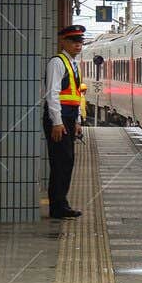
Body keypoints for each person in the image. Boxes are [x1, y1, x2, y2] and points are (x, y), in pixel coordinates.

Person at [45, 25, 87, 219]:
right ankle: (57, 206)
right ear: (63, 42)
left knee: (67, 161)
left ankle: (62, 203)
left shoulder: (73, 64)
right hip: (59, 120)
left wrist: (77, 120)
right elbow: (52, 94)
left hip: (69, 118)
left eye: (80, 41)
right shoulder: (58, 62)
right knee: (60, 162)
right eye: (73, 41)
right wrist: (56, 122)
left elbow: (75, 95)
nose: (78, 45)